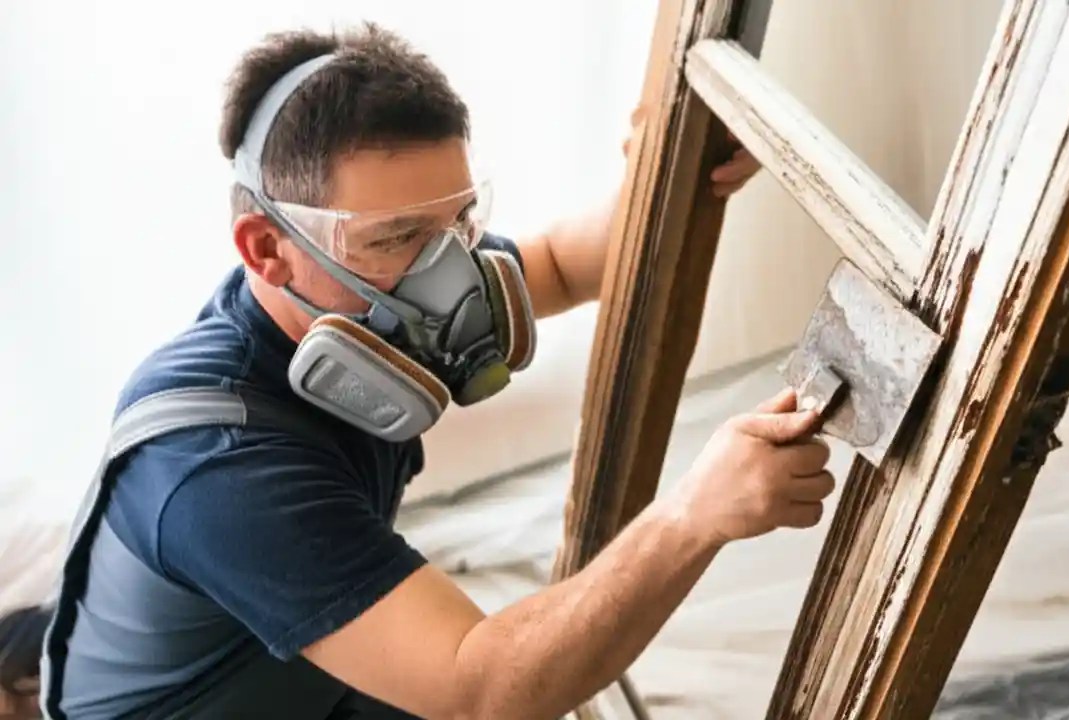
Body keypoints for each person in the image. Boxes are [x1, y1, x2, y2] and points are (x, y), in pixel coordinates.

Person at [29, 22, 836, 720]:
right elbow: (483, 691)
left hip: (291, 673)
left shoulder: (332, 295)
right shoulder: (219, 471)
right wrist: (694, 515)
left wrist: (669, 181)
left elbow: (553, 264)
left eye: (459, 222)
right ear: (267, 251)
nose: (448, 275)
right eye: (394, 239)